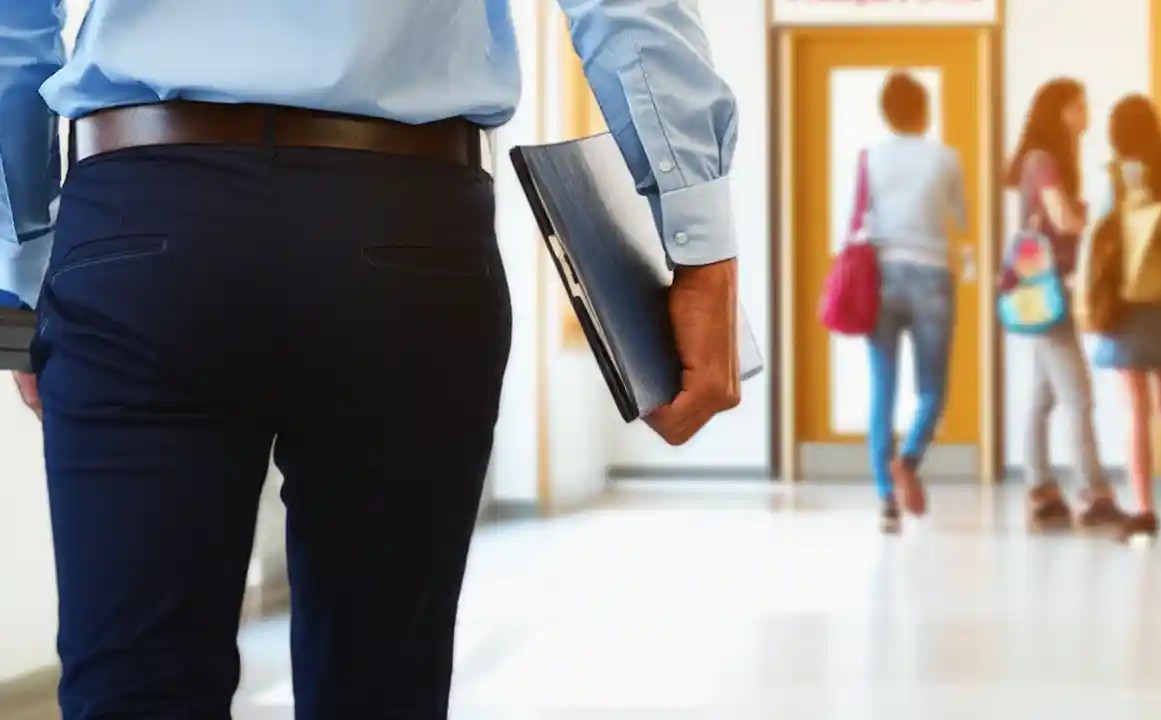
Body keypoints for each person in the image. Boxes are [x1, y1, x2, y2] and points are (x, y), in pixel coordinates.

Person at [0, 1, 742, 716]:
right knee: (382, 685)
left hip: (141, 225)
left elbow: (15, 24)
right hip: (405, 224)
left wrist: (26, 266)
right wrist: (699, 244)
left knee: (135, 688)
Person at [850, 72, 967, 534]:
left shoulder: (869, 158)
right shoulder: (945, 158)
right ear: (925, 111)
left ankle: (886, 499)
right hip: (932, 274)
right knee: (932, 388)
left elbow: (855, 220)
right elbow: (959, 217)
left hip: (881, 274)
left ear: (886, 113)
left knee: (882, 389)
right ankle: (910, 458)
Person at [1005, 78, 1125, 532]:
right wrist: (1084, 217)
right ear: (1062, 113)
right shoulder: (1044, 161)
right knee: (1078, 395)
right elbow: (1062, 218)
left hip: (1041, 292)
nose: (1086, 114)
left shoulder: (1040, 160)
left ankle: (1040, 488)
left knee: (1044, 393)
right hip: (1047, 292)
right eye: (1080, 106)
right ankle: (1094, 491)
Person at [1089, 96, 1161, 541]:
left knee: (1136, 412)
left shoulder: (1116, 180)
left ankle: (1144, 509)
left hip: (1127, 306)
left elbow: (1102, 237)